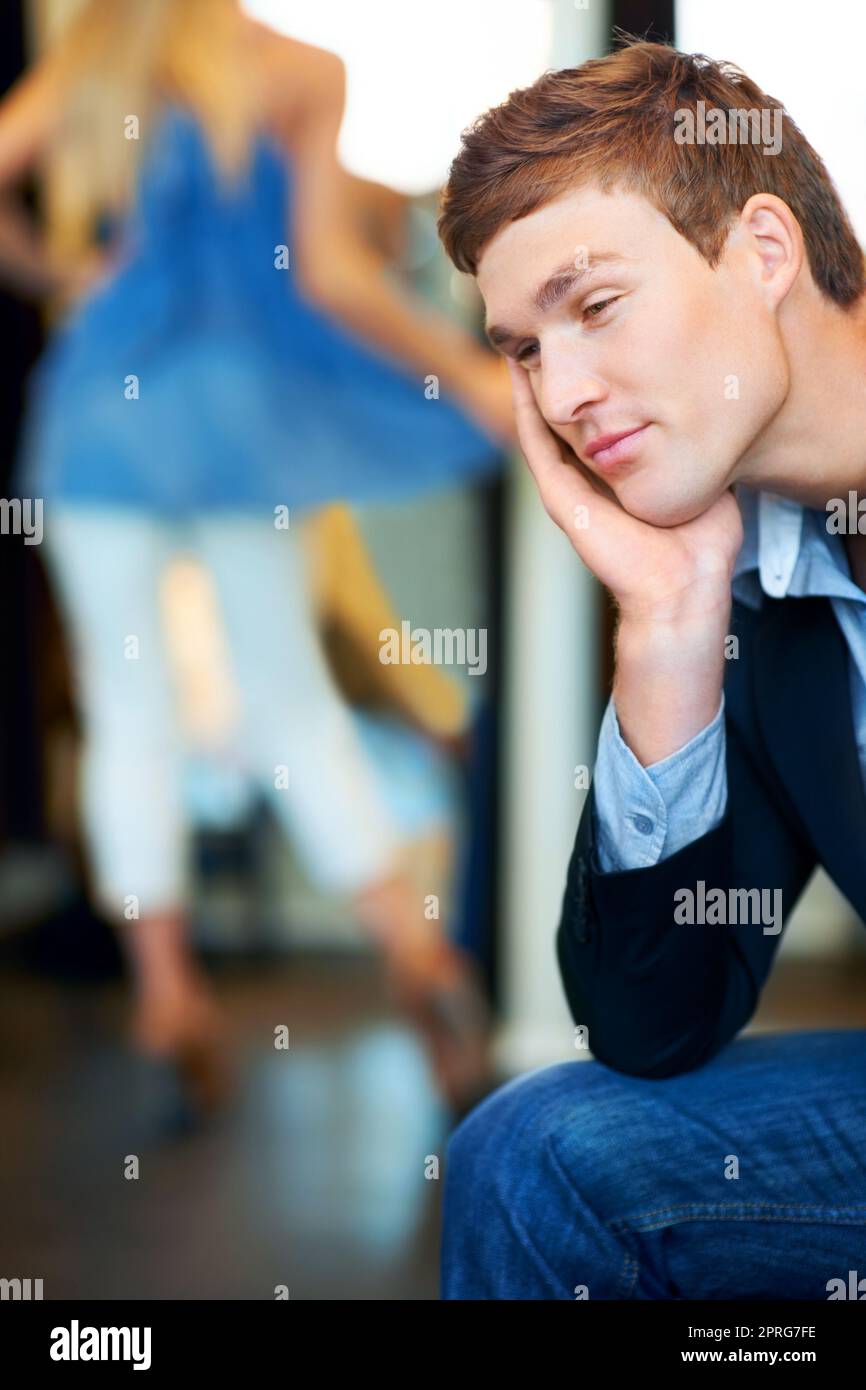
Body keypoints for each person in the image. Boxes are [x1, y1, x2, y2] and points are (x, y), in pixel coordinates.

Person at [0, 0, 514, 1113]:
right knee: (291, 707)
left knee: (128, 712)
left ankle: (165, 993)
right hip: (241, 427)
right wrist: (462, 373)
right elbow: (331, 278)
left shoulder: (93, 60)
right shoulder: (296, 69)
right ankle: (419, 961)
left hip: (102, 418)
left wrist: (56, 276)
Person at [435, 38, 866, 1297]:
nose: (562, 390)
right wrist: (668, 635)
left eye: (595, 305)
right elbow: (649, 1026)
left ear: (764, 250)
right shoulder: (756, 579)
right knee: (539, 1155)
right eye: (522, 348)